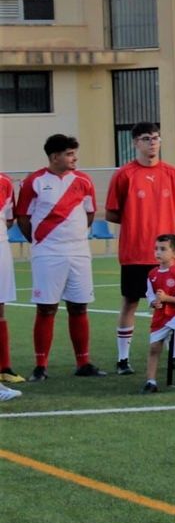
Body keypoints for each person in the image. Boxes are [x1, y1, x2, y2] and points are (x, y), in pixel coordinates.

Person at [17, 134, 105, 380]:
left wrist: (75, 236)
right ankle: (40, 366)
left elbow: (89, 213)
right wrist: (41, 241)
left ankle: (83, 363)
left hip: (78, 251)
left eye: (75, 153)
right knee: (46, 308)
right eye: (69, 154)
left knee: (79, 306)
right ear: (55, 157)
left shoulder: (84, 180)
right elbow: (23, 218)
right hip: (48, 253)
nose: (75, 158)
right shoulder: (33, 181)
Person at [105, 123, 175, 375]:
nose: (153, 142)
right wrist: (136, 224)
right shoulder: (124, 174)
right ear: (135, 143)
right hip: (135, 251)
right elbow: (112, 212)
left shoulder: (172, 174)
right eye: (146, 138)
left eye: (156, 138)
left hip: (167, 255)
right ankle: (123, 359)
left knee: (172, 303)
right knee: (130, 301)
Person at [142, 234, 175, 394]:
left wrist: (166, 298)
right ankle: (151, 381)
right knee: (154, 348)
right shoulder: (152, 274)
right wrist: (154, 302)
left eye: (163, 249)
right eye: (156, 249)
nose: (158, 252)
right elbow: (150, 294)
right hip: (161, 315)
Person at [0, 172, 22, 383]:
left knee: (0, 307)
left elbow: (8, 220)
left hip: (0, 248)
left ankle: (4, 367)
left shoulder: (5, 182)